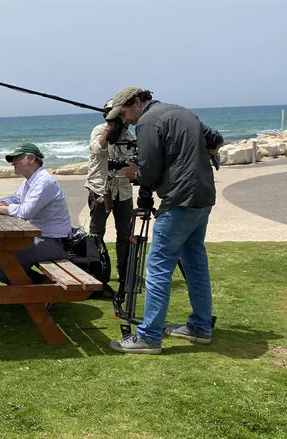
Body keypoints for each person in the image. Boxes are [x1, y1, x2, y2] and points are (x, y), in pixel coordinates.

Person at [105, 87, 224, 355]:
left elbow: (149, 172)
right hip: (203, 196)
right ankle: (201, 327)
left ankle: (148, 337)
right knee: (195, 264)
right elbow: (216, 138)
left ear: (137, 103)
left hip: (179, 200)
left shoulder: (147, 121)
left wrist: (135, 173)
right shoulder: (182, 112)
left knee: (158, 267)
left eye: (124, 113)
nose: (126, 120)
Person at [0, 143, 72, 284]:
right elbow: (16, 198)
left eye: (16, 158)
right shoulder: (31, 180)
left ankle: (44, 290)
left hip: (52, 241)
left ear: (31, 158)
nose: (12, 163)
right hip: (38, 238)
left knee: (3, 270)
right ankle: (42, 284)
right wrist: (0, 202)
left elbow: (25, 212)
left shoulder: (44, 181)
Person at [85, 100, 135, 291]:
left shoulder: (129, 135)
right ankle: (96, 272)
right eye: (110, 112)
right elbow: (97, 149)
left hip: (123, 191)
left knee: (125, 234)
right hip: (100, 188)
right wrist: (109, 127)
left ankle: (125, 274)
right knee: (96, 233)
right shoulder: (99, 130)